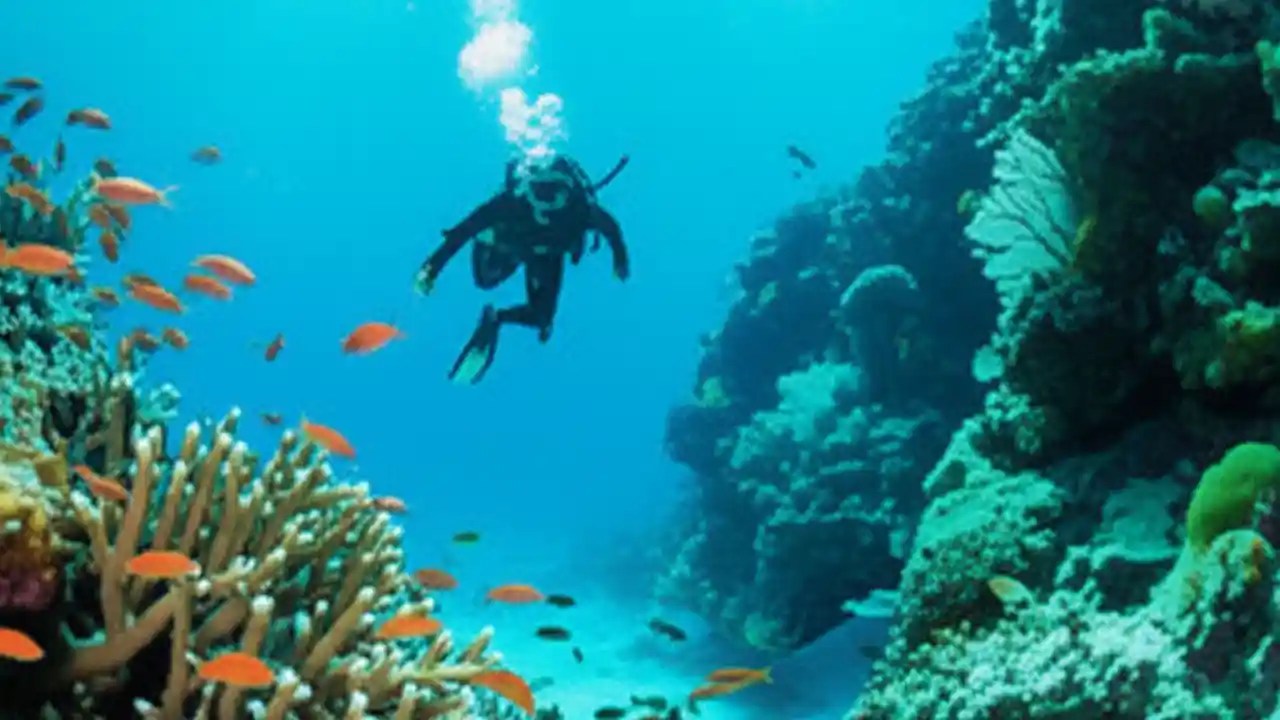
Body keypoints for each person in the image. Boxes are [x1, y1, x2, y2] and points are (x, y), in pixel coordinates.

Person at [416, 154, 631, 383]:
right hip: (510, 245)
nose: (547, 202)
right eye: (540, 192)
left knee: (542, 318)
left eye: (554, 193)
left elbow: (612, 230)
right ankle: (491, 246)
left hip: (545, 254)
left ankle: (496, 319)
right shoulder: (509, 203)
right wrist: (431, 269)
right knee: (485, 280)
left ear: (568, 191)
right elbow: (463, 231)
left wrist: (620, 260)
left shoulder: (580, 209)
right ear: (527, 189)